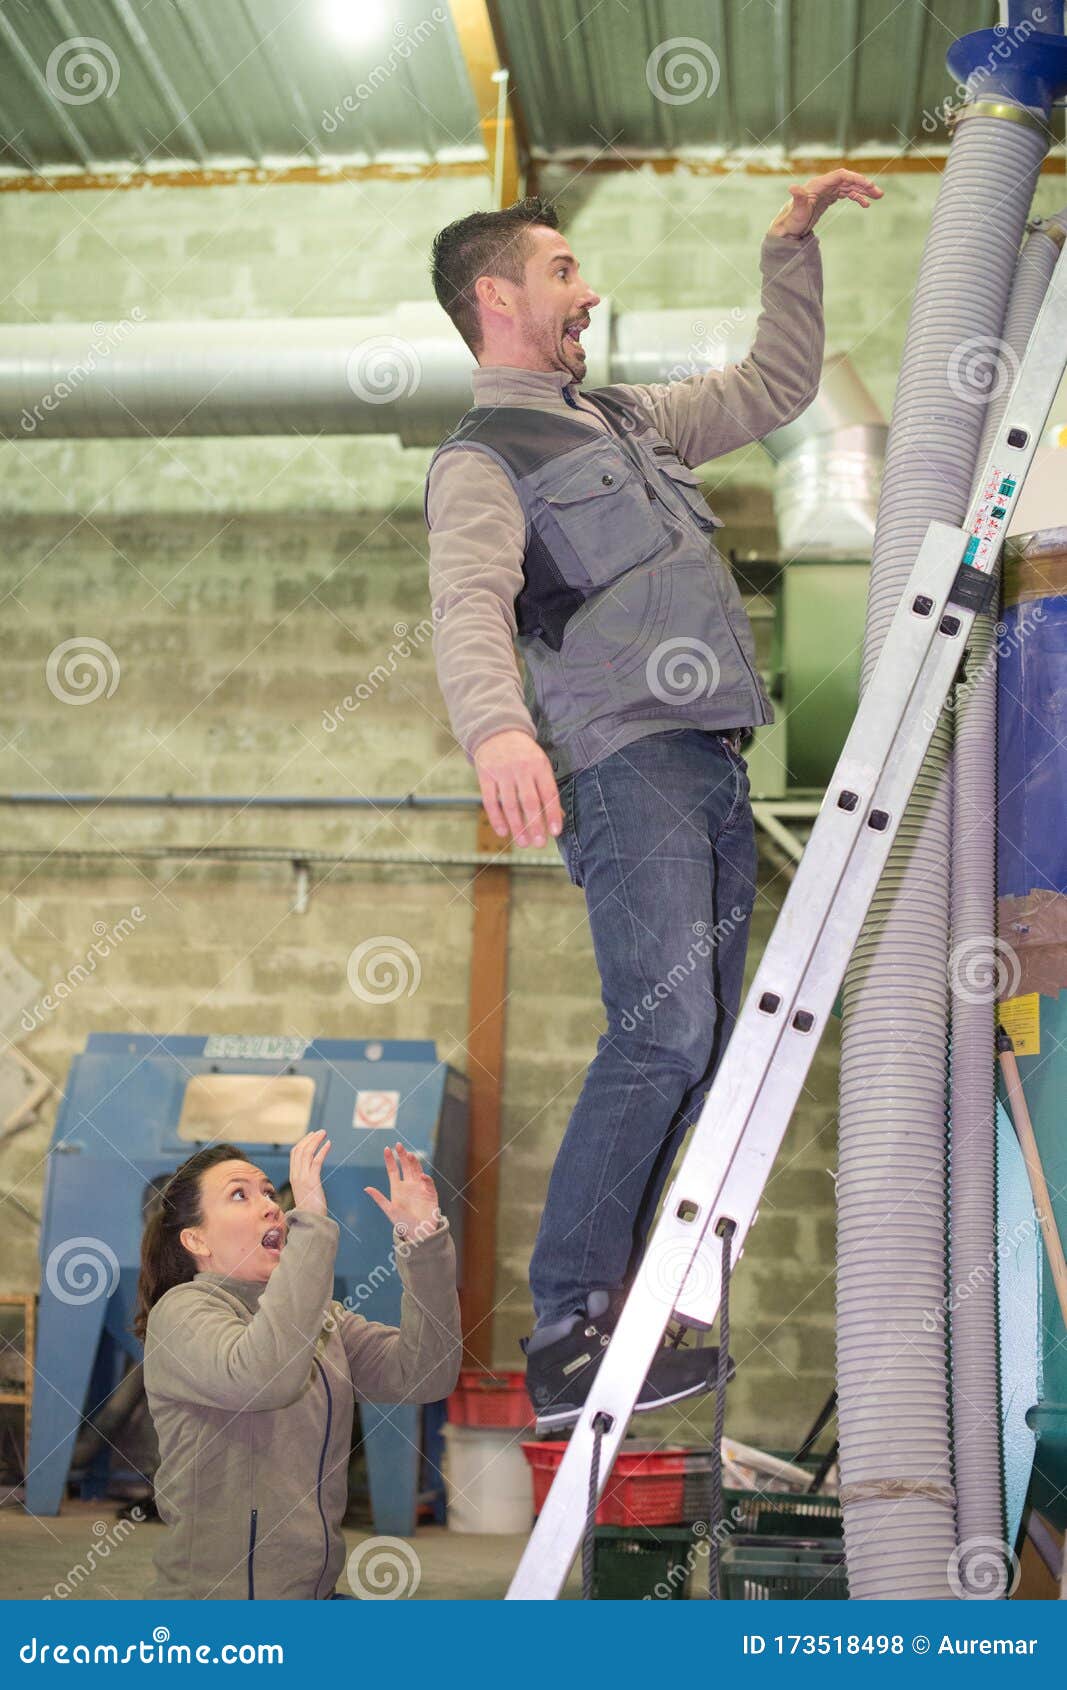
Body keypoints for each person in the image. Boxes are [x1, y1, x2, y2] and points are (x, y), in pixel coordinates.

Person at [424, 172, 882, 1428]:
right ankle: (570, 1323)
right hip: (624, 764)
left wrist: (785, 252)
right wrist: (498, 731)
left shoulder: (623, 418)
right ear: (497, 296)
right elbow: (466, 604)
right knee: (660, 1034)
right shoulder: (485, 458)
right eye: (564, 272)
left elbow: (774, 390)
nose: (589, 292)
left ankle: (618, 1306)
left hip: (709, 763)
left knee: (701, 1049)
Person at [137, 1130, 461, 1599]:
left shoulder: (320, 1321)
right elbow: (262, 1376)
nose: (271, 1205)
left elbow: (427, 1373)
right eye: (239, 1195)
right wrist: (310, 1223)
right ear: (197, 1240)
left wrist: (422, 1243)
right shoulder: (181, 1314)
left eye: (270, 1192)